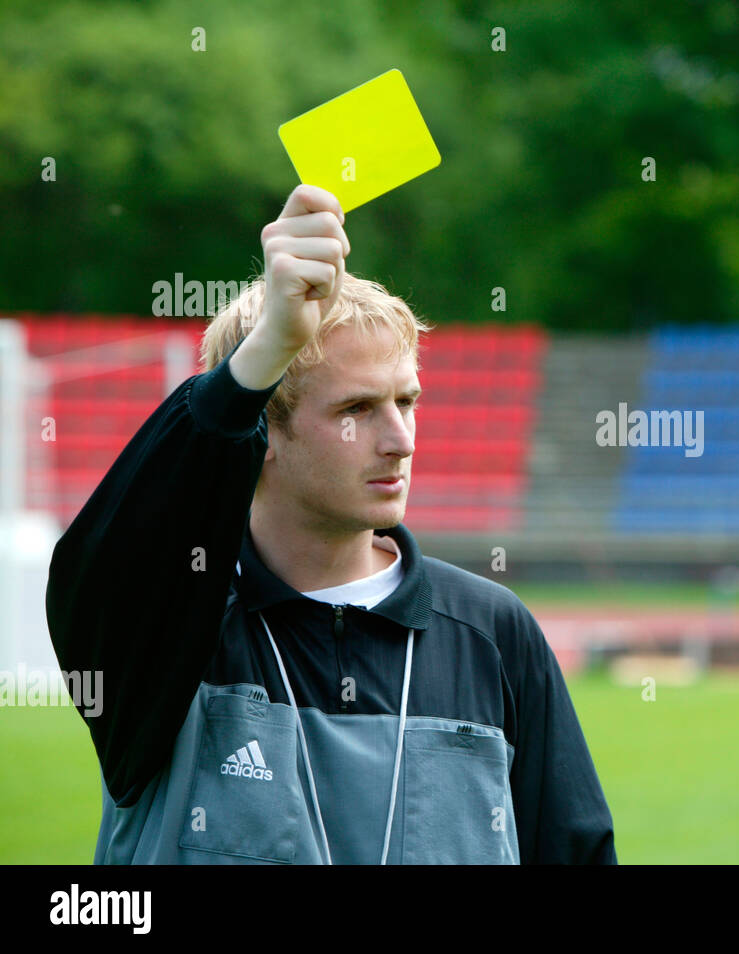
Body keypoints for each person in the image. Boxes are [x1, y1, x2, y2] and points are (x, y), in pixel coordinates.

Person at [46, 184, 616, 864]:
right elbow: (98, 568)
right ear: (262, 431)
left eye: (407, 401)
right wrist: (266, 352)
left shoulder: (492, 631)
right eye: (357, 409)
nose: (401, 440)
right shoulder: (171, 626)